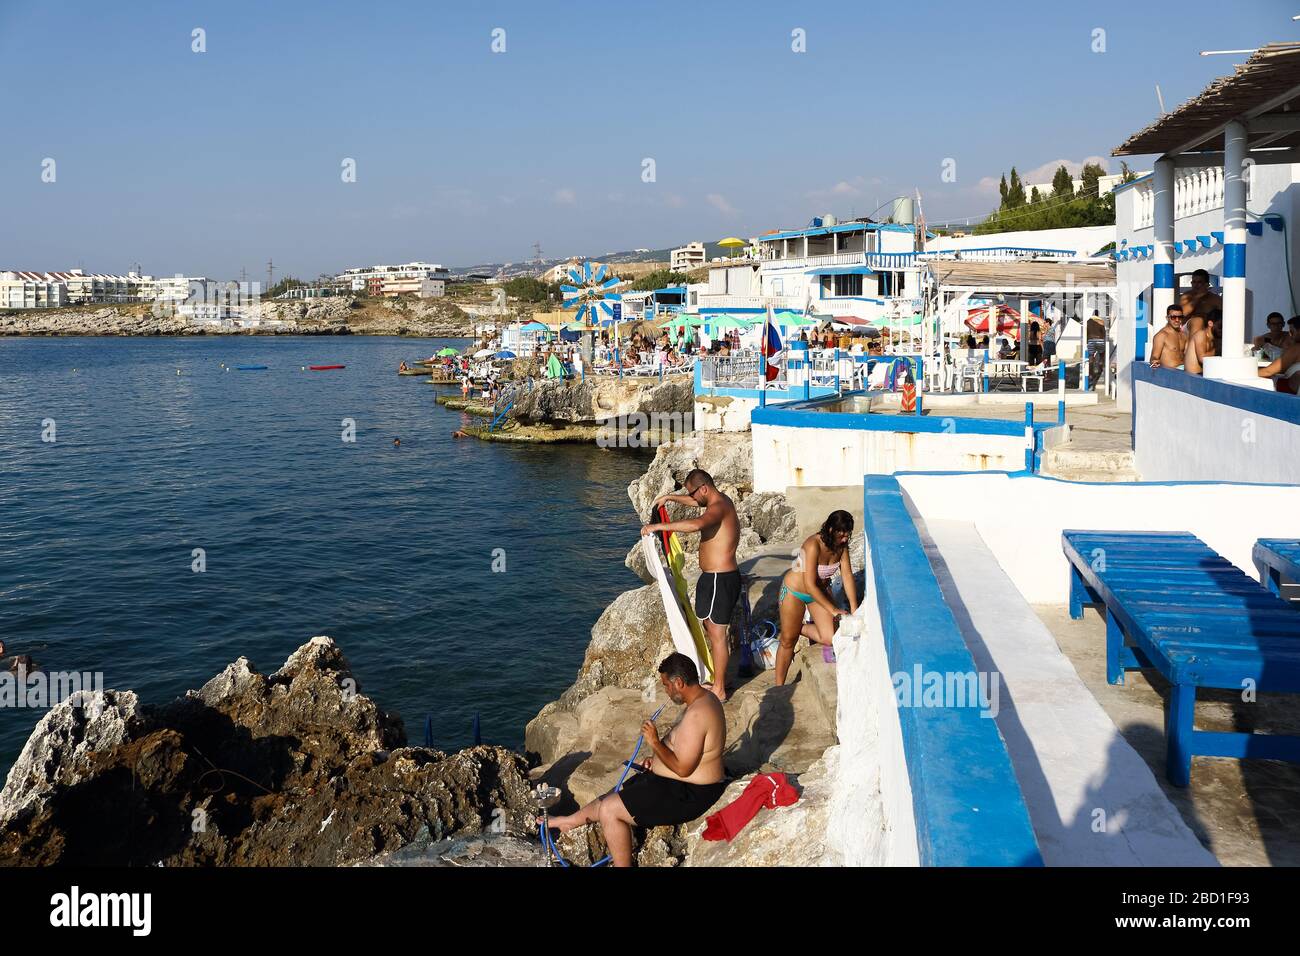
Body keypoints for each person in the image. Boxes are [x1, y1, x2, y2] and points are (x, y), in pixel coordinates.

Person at [543, 653, 726, 867]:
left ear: (679, 683)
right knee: (614, 795)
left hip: (690, 794)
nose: (666, 691)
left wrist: (655, 742)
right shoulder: (704, 699)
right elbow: (683, 751)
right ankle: (570, 821)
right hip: (676, 783)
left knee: (610, 810)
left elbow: (683, 769)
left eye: (667, 685)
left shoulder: (697, 715)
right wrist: (657, 759)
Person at [643, 469, 741, 701]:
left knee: (717, 633)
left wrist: (658, 528)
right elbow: (696, 502)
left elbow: (697, 524)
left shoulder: (719, 507)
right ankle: (719, 679)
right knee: (710, 628)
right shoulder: (713, 499)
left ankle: (720, 689)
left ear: (704, 488)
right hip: (712, 578)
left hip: (721, 578)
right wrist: (670, 498)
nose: (694, 499)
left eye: (694, 494)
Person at [774, 511, 858, 686]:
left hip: (818, 593)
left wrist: (854, 607)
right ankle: (778, 687)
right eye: (841, 535)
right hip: (794, 591)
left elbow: (847, 575)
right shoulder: (812, 545)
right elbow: (810, 584)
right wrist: (833, 609)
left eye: (847, 535)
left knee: (829, 638)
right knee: (788, 640)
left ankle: (799, 627)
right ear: (830, 529)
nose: (844, 539)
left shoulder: (842, 547)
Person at [1182, 269, 1222, 336]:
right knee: (1197, 321)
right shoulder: (1186, 296)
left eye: (1199, 282)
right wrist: (1198, 297)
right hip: (1189, 328)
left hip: (1209, 328)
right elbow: (1183, 313)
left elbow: (1223, 317)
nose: (1195, 285)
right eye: (1194, 282)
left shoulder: (1215, 299)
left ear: (1206, 284)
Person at [1148, 303, 1188, 369]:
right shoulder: (1161, 336)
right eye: (1173, 317)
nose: (1177, 320)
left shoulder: (1184, 335)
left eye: (1180, 317)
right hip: (1170, 373)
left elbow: (1187, 355)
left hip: (1185, 371)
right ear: (1167, 318)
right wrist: (1154, 362)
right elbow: (1154, 357)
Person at [1184, 310, 1221, 375]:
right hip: (1193, 377)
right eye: (1220, 326)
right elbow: (1202, 358)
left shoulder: (1214, 339)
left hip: (1203, 376)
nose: (1222, 330)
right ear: (1210, 323)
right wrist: (1218, 350)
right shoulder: (1201, 334)